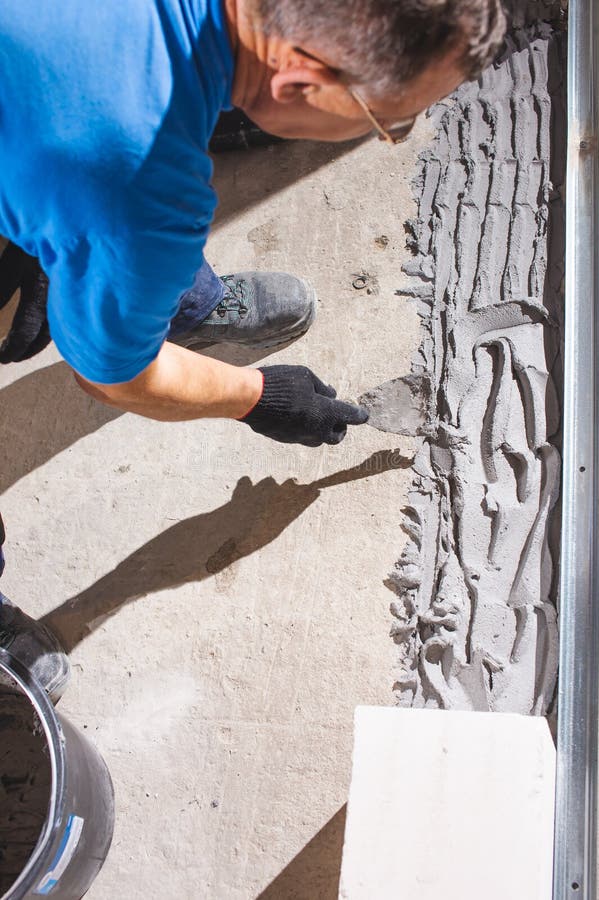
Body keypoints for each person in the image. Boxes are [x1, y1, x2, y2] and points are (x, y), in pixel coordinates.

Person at [0, 0, 506, 699]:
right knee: (98, 266)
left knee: (121, 237)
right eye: (386, 125)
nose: (392, 132)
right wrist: (262, 396)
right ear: (297, 81)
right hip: (86, 160)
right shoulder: (138, 182)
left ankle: (171, 300)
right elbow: (112, 378)